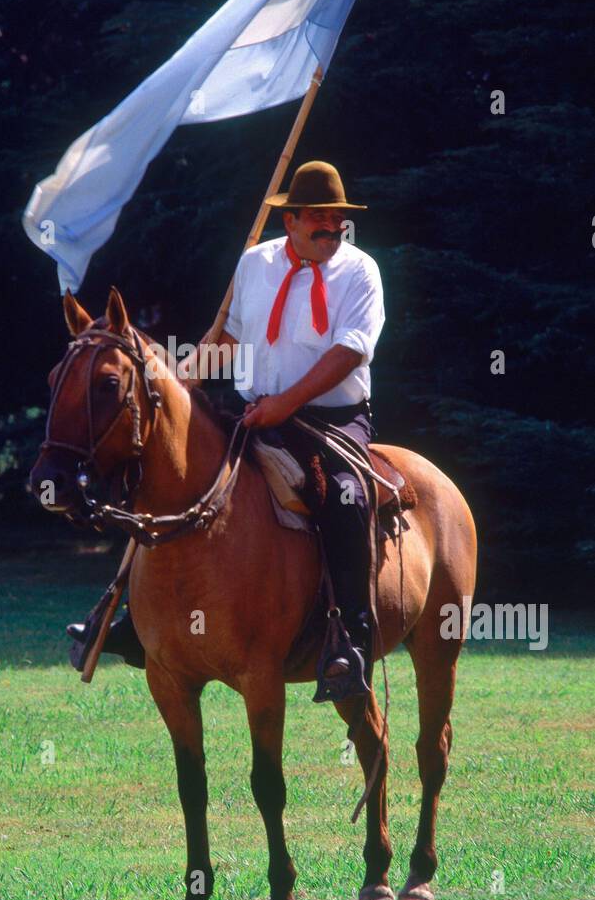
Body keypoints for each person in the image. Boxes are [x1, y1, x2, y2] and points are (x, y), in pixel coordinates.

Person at [69, 161, 384, 701]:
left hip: (331, 418)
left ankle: (348, 638)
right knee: (165, 481)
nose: (333, 231)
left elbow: (349, 352)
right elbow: (231, 341)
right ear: (291, 221)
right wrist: (182, 376)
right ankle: (130, 619)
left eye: (338, 221)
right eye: (321, 221)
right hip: (253, 412)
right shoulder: (254, 264)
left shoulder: (360, 271)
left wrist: (287, 404)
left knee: (348, 496)